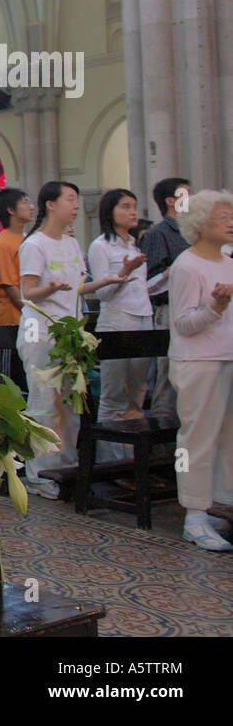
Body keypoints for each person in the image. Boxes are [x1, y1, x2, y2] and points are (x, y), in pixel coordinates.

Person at [17, 181, 135, 498]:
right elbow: (26, 293)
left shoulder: (70, 244)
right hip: (40, 332)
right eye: (70, 199)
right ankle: (40, 474)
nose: (77, 205)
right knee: (44, 405)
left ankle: (66, 469)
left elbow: (77, 288)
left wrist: (105, 282)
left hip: (70, 335)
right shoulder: (35, 245)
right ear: (51, 204)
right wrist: (50, 289)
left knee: (70, 407)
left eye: (78, 199)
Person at [165, 189, 233, 551]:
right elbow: (184, 324)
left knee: (226, 440)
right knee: (197, 441)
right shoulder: (187, 265)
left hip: (228, 357)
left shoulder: (228, 261)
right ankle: (194, 517)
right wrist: (217, 307)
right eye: (223, 217)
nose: (231, 222)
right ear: (200, 223)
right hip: (197, 361)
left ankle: (220, 508)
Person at [87, 189, 151, 462]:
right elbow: (101, 293)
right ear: (110, 212)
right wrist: (124, 272)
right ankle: (111, 463)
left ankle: (135, 461)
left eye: (134, 206)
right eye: (125, 206)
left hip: (143, 316)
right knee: (114, 394)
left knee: (137, 394)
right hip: (117, 319)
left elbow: (141, 288)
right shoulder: (101, 245)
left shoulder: (134, 245)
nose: (133, 212)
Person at [140, 177, 192, 427]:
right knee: (169, 375)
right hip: (169, 310)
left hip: (195, 311)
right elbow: (149, 283)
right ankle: (162, 434)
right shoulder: (158, 234)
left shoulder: (193, 233)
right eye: (188, 193)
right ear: (171, 201)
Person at [0, 188, 33, 327]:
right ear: (11, 210)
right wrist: (34, 313)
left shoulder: (31, 239)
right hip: (14, 320)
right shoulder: (1, 244)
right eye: (25, 202)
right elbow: (10, 287)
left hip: (33, 316)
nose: (31, 207)